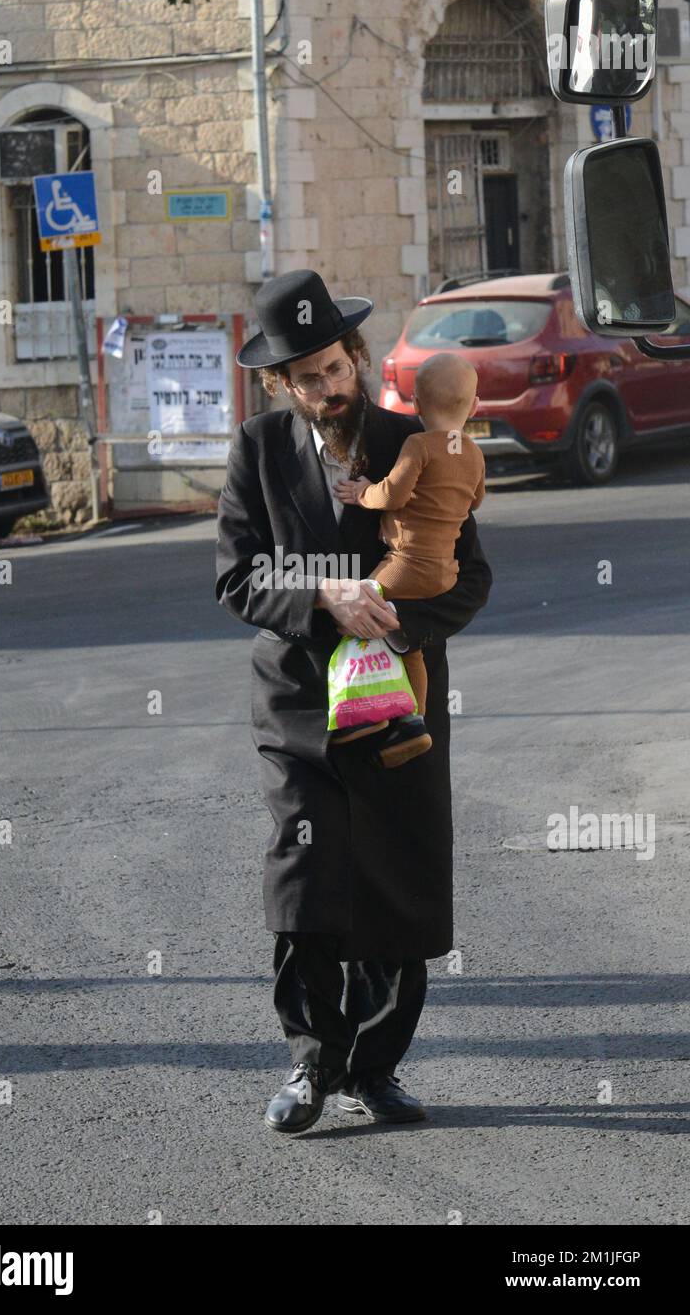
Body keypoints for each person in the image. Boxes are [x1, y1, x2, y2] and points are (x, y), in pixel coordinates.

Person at [215, 269, 492, 1134]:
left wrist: (392, 624)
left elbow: (469, 577)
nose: (327, 388)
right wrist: (326, 598)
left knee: (395, 889)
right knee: (306, 887)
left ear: (357, 358)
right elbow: (237, 577)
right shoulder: (257, 450)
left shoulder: (420, 443)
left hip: (399, 709)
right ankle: (310, 1066)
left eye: (335, 369)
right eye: (307, 378)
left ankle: (376, 1070)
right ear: (280, 384)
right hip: (298, 708)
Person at [330, 353, 486, 767]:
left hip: (406, 565)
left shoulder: (417, 444)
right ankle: (411, 722)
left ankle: (360, 711)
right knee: (408, 645)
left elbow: (393, 494)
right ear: (474, 407)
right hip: (445, 572)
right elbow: (476, 499)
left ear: (415, 404)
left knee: (357, 604)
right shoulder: (472, 453)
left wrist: (362, 492)